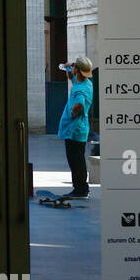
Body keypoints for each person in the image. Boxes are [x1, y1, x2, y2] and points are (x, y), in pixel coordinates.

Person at [57, 56, 94, 199]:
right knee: (78, 159)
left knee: (75, 161)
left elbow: (79, 104)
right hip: (80, 129)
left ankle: (80, 189)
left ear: (77, 70)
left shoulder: (79, 89)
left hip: (74, 129)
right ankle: (82, 188)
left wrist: (73, 113)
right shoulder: (86, 83)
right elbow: (71, 77)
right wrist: (70, 66)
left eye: (74, 67)